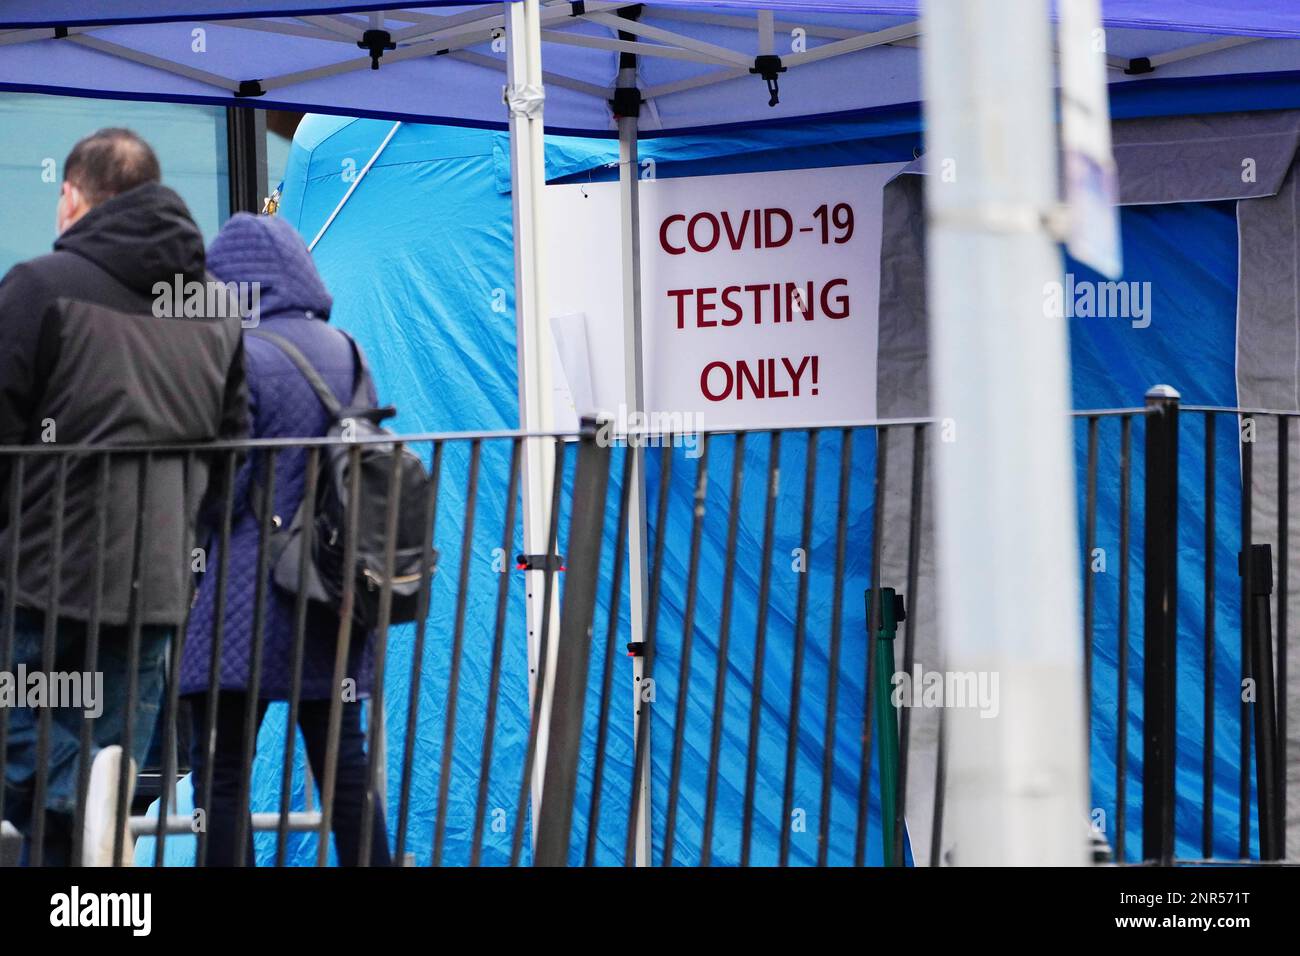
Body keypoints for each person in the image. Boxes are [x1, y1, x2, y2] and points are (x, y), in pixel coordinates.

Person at [0, 128, 248, 865]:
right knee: (111, 773)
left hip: (41, 576)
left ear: (73, 197)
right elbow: (232, 450)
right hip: (157, 584)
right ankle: (96, 832)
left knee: (27, 737)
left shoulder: (40, 288)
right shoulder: (212, 308)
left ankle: (82, 797)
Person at [179, 212, 391, 867]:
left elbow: (226, 484)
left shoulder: (240, 356)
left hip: (248, 592)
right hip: (330, 589)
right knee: (343, 763)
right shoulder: (347, 349)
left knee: (222, 767)